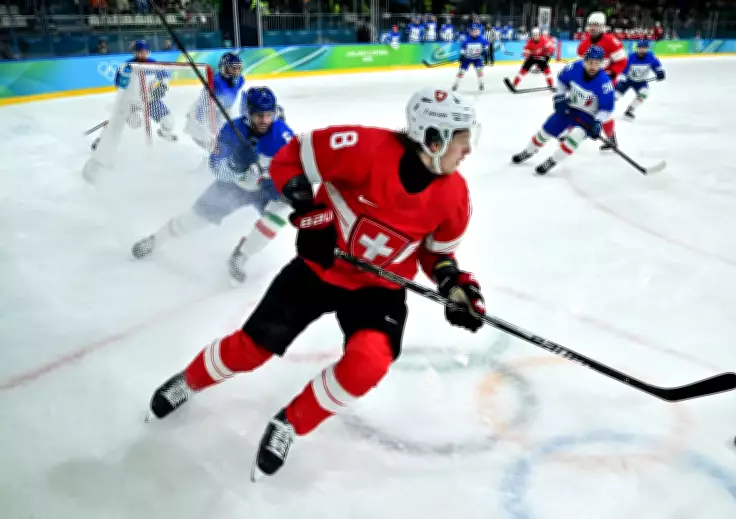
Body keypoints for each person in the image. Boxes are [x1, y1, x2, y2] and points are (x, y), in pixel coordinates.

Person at [146, 87, 485, 478]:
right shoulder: (364, 147)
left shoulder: (456, 196)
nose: (469, 150)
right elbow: (290, 160)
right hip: (319, 269)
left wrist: (455, 285)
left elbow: (436, 254)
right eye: (463, 139)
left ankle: (288, 423)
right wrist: (309, 211)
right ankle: (188, 381)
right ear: (433, 138)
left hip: (378, 290)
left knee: (369, 364)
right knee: (250, 350)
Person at [131, 87, 295, 284]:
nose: (264, 121)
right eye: (259, 115)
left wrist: (280, 181)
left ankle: (240, 256)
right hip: (233, 187)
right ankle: (156, 240)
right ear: (247, 113)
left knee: (281, 213)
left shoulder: (282, 135)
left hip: (266, 189)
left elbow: (294, 167)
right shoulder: (230, 131)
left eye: (269, 115)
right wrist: (236, 164)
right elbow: (216, 168)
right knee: (194, 220)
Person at [511, 46, 614, 175]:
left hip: (588, 116)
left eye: (597, 63)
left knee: (575, 136)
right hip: (569, 108)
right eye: (590, 62)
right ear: (585, 60)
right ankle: (528, 151)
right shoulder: (574, 68)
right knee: (545, 130)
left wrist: (598, 122)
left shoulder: (605, 84)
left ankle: (552, 160)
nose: (593, 66)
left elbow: (606, 109)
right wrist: (559, 97)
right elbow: (562, 81)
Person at [90, 40, 175, 151]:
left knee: (168, 121)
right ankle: (102, 139)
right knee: (135, 123)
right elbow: (120, 85)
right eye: (140, 52)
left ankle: (164, 133)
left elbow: (165, 77)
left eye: (145, 52)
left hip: (149, 100)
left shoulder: (153, 64)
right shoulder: (127, 66)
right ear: (135, 52)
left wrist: (163, 86)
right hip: (129, 102)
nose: (143, 54)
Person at [577, 12, 627, 151]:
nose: (592, 28)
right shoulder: (583, 45)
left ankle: (611, 139)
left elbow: (622, 62)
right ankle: (570, 131)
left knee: (603, 111)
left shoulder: (612, 41)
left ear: (602, 26)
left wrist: (612, 73)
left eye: (596, 25)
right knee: (578, 105)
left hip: (606, 83)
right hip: (589, 82)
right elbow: (581, 64)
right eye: (591, 24)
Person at [185, 52, 247, 152]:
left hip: (220, 113)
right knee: (213, 145)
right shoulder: (215, 82)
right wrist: (201, 125)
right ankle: (211, 160)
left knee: (227, 143)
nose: (236, 71)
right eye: (233, 68)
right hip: (202, 115)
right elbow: (202, 104)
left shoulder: (240, 80)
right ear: (224, 69)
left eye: (238, 68)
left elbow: (242, 98)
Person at [616, 39, 665, 120]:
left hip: (641, 82)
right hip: (628, 80)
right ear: (637, 48)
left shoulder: (651, 56)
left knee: (644, 93)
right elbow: (624, 69)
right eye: (640, 48)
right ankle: (601, 109)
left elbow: (656, 66)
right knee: (615, 95)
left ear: (647, 48)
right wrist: (622, 80)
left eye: (644, 48)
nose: (642, 50)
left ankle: (630, 110)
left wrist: (659, 72)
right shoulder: (631, 56)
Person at [452, 23, 489, 91]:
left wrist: (485, 51)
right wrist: (462, 55)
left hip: (477, 59)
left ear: (478, 31)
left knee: (479, 70)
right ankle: (455, 85)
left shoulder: (482, 39)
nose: (475, 32)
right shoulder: (466, 39)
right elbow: (462, 48)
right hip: (467, 58)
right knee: (461, 71)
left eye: (476, 31)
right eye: (473, 31)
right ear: (471, 31)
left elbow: (486, 46)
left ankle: (481, 84)